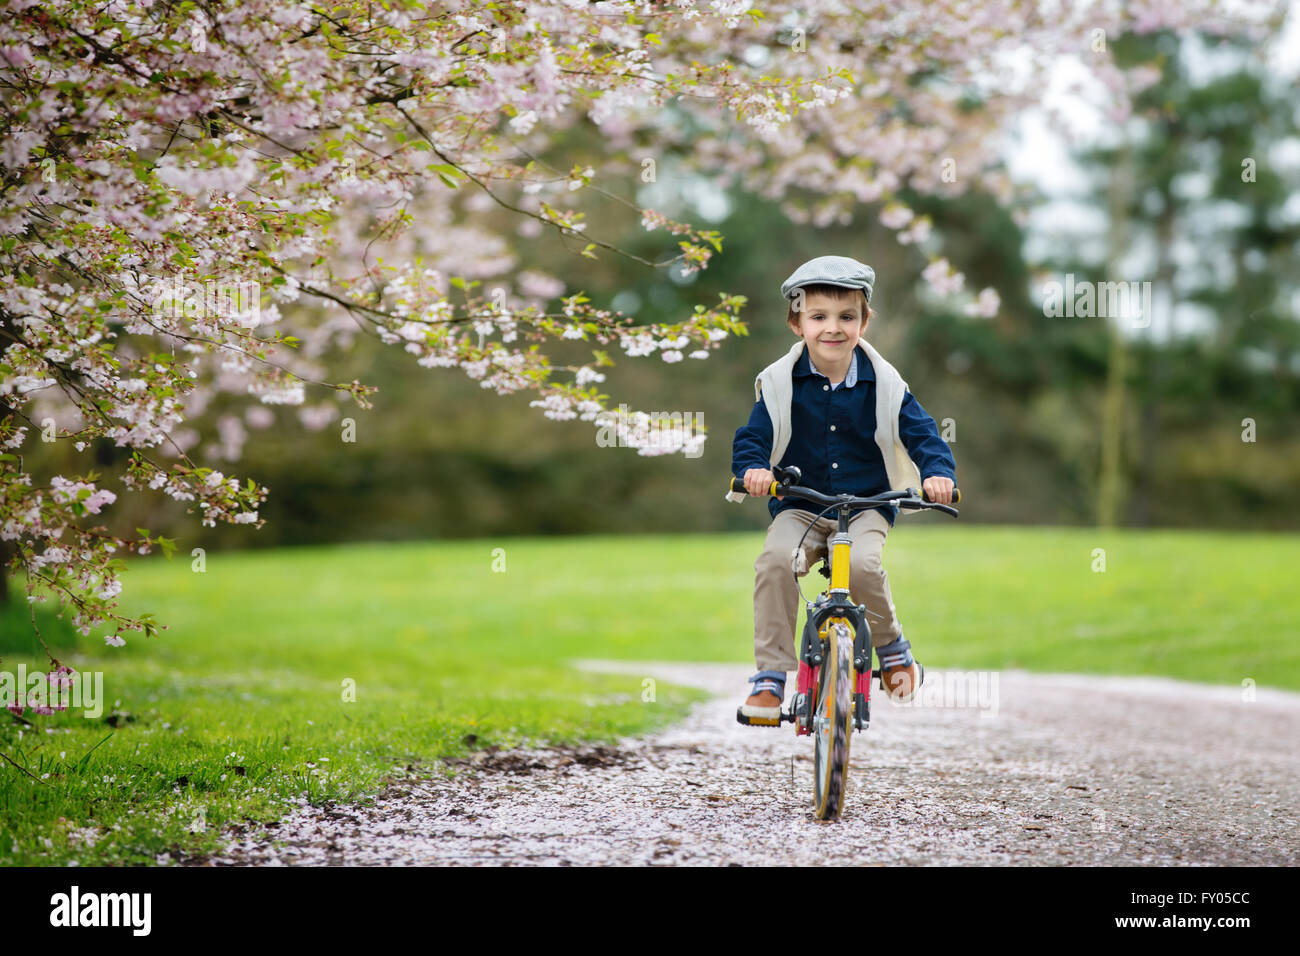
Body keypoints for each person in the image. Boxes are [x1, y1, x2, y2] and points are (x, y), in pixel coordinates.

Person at [728, 255, 956, 723]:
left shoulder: (885, 384)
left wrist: (938, 474)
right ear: (798, 323)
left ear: (864, 322)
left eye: (847, 317)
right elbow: (754, 436)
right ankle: (771, 677)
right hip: (801, 504)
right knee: (775, 561)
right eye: (819, 317)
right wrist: (752, 469)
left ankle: (891, 648)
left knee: (864, 566)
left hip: (869, 504)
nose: (833, 328)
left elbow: (923, 434)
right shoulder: (780, 384)